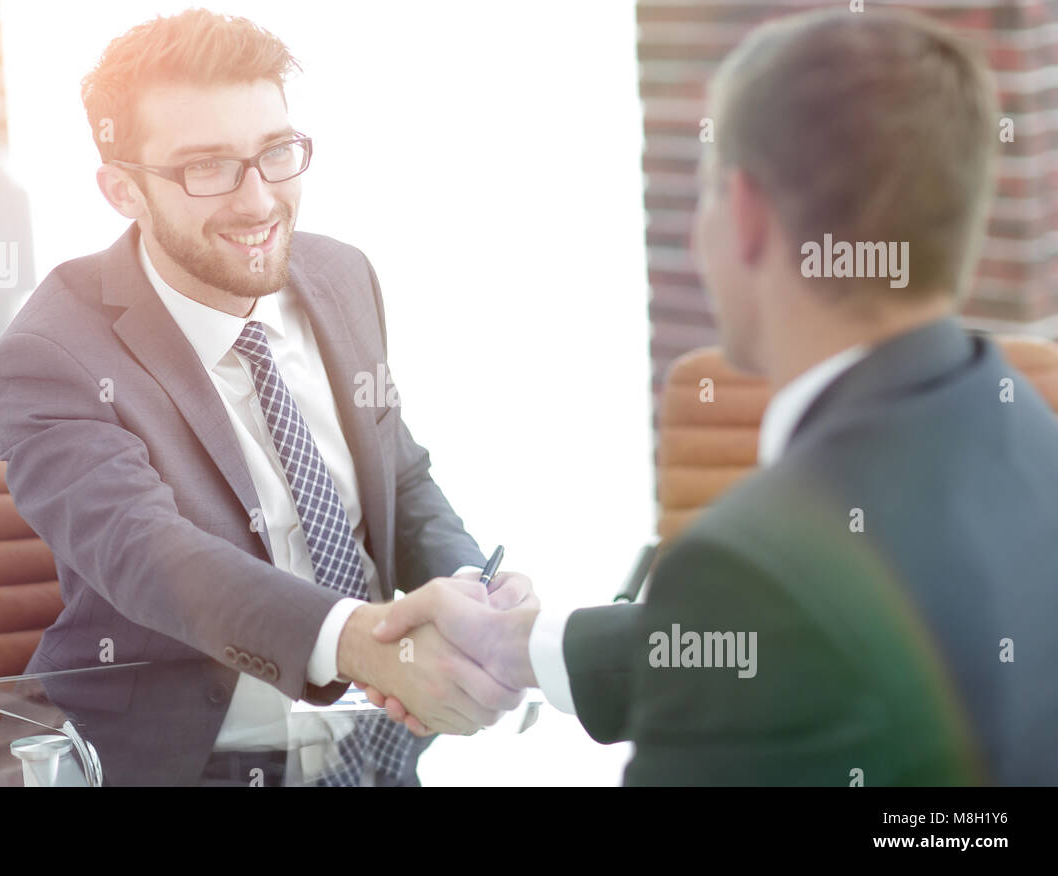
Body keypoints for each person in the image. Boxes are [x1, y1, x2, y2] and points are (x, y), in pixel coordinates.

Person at [369, 7, 1058, 785]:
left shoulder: (750, 566)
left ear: (747, 217)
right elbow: (802, 648)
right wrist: (528, 647)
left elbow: (773, 624)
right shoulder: (1024, 425)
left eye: (703, 191)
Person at [0, 7, 531, 786]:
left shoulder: (343, 278)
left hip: (376, 747)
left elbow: (400, 478)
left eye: (276, 153)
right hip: (189, 761)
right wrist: (361, 642)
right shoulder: (50, 356)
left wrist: (475, 597)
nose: (258, 201)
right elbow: (148, 554)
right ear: (122, 191)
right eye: (207, 168)